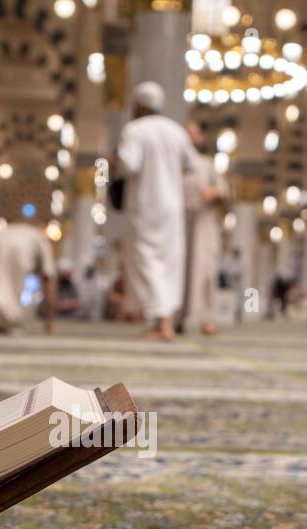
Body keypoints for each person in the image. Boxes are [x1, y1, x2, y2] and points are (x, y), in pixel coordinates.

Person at [111, 81, 200, 341]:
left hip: (145, 204)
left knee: (147, 261)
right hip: (172, 206)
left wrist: (111, 161)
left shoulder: (134, 130)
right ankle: (163, 320)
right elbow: (191, 163)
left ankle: (162, 323)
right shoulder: (176, 131)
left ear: (138, 105)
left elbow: (128, 164)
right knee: (169, 262)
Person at [180, 123, 227, 336]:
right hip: (180, 225)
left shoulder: (207, 164)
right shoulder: (176, 164)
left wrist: (212, 193)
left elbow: (223, 191)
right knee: (179, 272)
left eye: (194, 134)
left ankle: (207, 318)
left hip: (204, 226)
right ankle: (177, 317)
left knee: (205, 272)